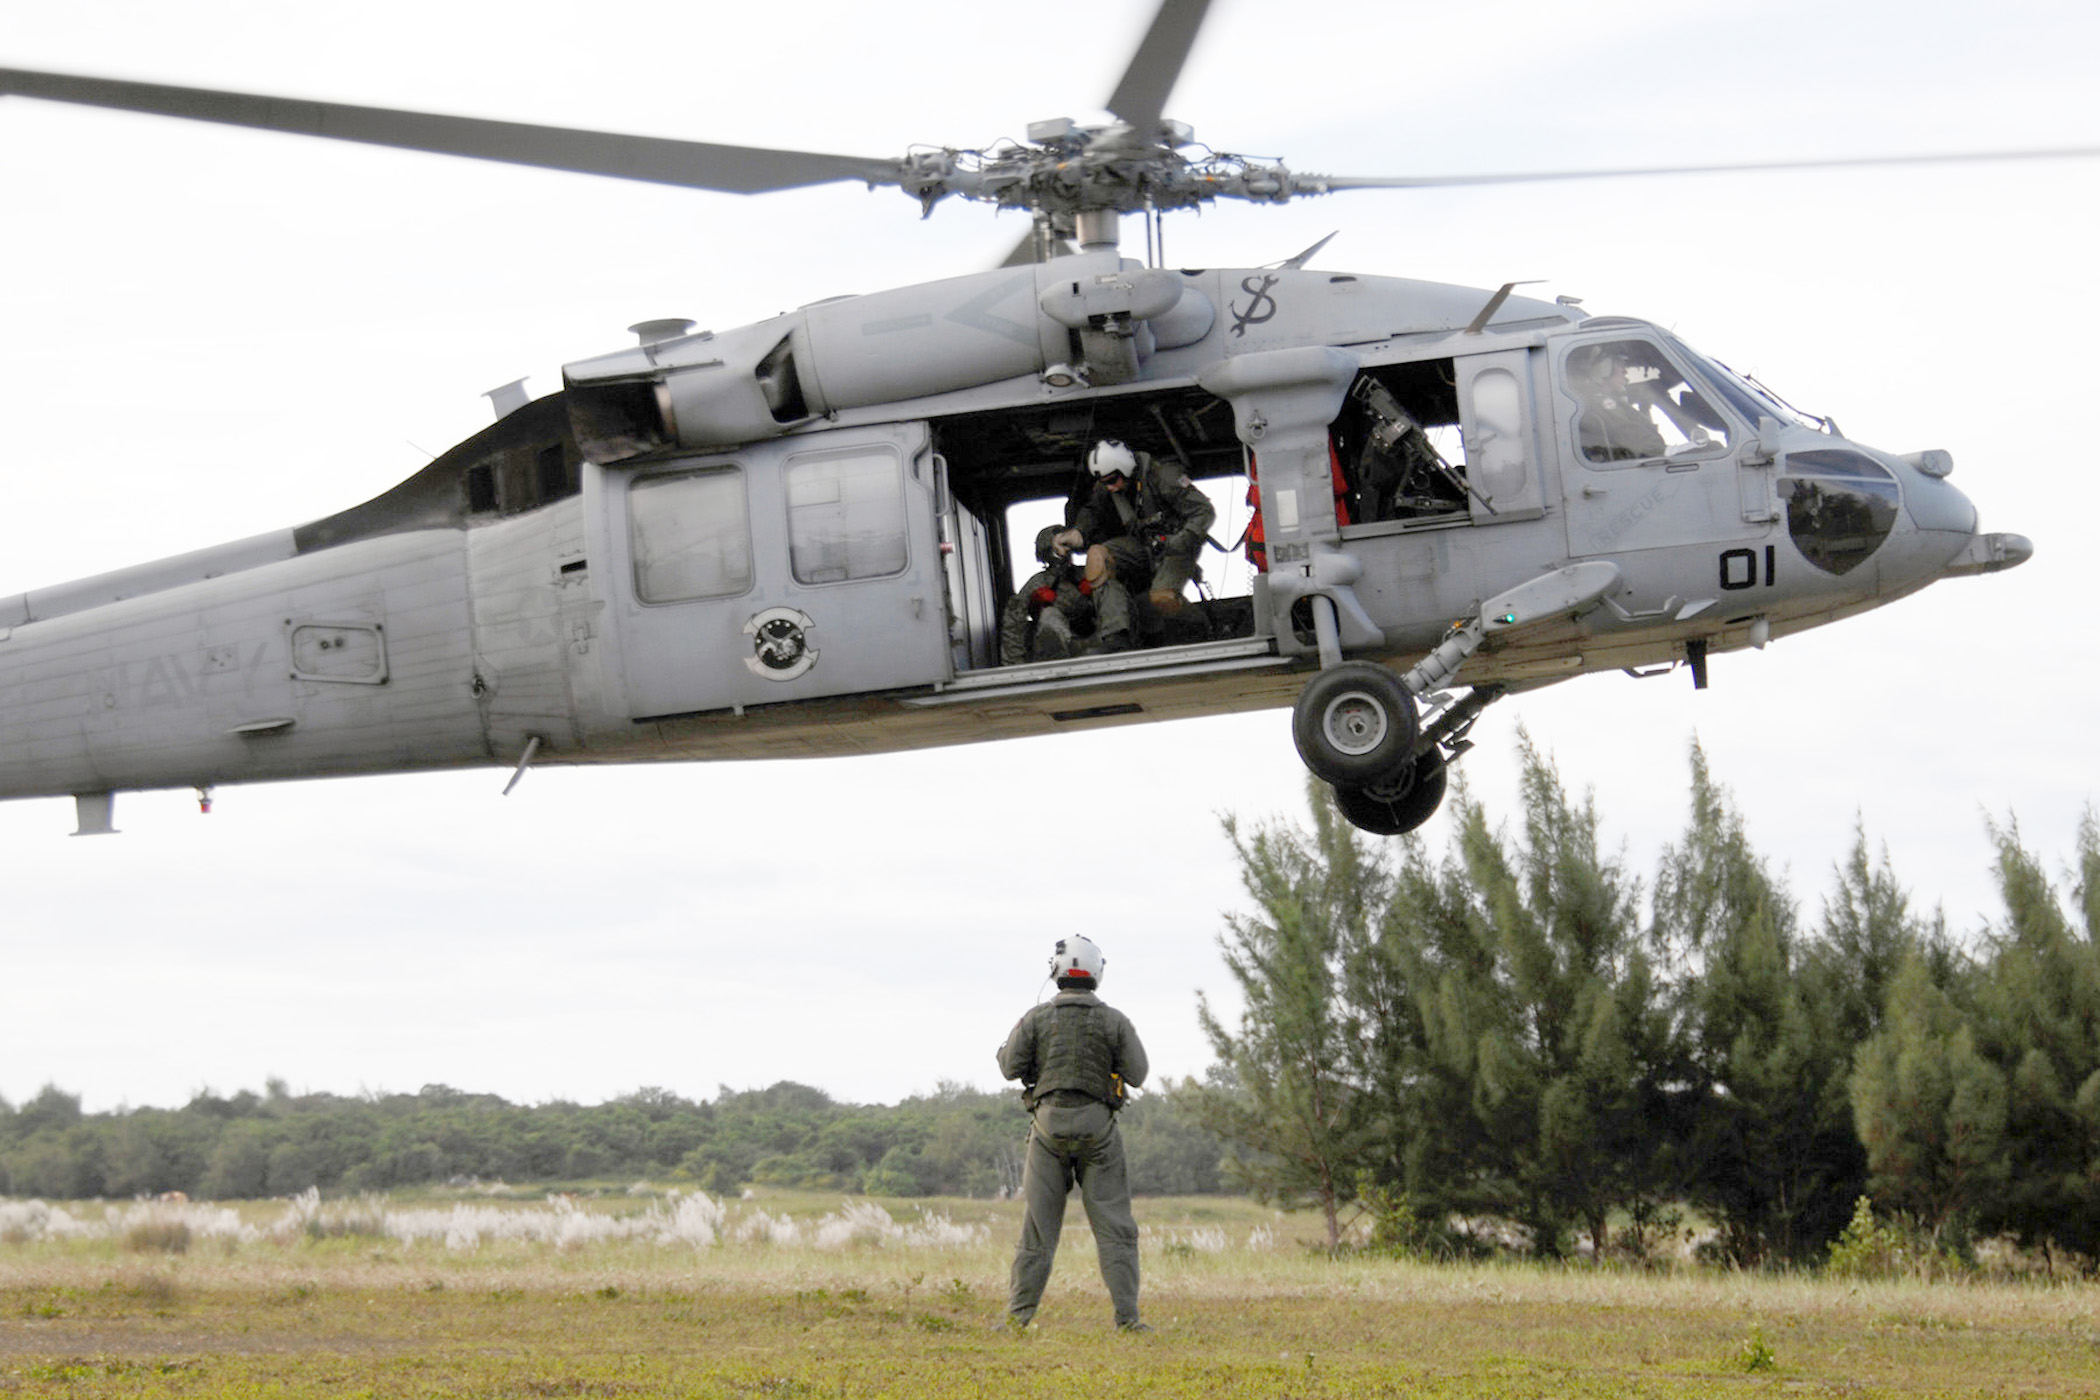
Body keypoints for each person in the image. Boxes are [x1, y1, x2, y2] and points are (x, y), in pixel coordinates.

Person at [997, 935, 1150, 1332]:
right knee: (1115, 1226)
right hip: (1099, 1130)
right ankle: (1128, 1321)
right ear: (1096, 973)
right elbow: (1138, 1073)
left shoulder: (1035, 1018)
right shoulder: (1115, 1020)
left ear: (1057, 972)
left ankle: (1016, 1320)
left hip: (1047, 1129)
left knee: (1038, 1229)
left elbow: (1009, 1067)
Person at [1052, 440, 1216, 652]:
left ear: (1126, 468)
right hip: (1142, 546)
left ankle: (1202, 626)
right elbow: (1092, 511)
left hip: (1176, 548)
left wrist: (1182, 540)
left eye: (1112, 480)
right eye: (1104, 482)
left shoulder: (1163, 476)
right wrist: (1078, 533)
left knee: (1160, 599)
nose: (1109, 487)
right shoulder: (1109, 488)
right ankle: (1116, 637)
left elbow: (1203, 511)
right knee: (1098, 557)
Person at [997, 525, 1096, 664]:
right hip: (1053, 653)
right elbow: (1013, 624)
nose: (1062, 553)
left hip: (1092, 646)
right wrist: (1014, 665)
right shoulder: (1038, 583)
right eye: (1054, 550)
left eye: (1066, 546)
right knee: (1049, 615)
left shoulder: (1087, 574)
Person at [1570, 344, 1667, 462]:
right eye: (1620, 364)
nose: (1625, 371)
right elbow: (1640, 442)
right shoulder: (1604, 403)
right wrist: (1668, 452)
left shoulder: (1609, 401)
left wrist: (1645, 409)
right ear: (1604, 368)